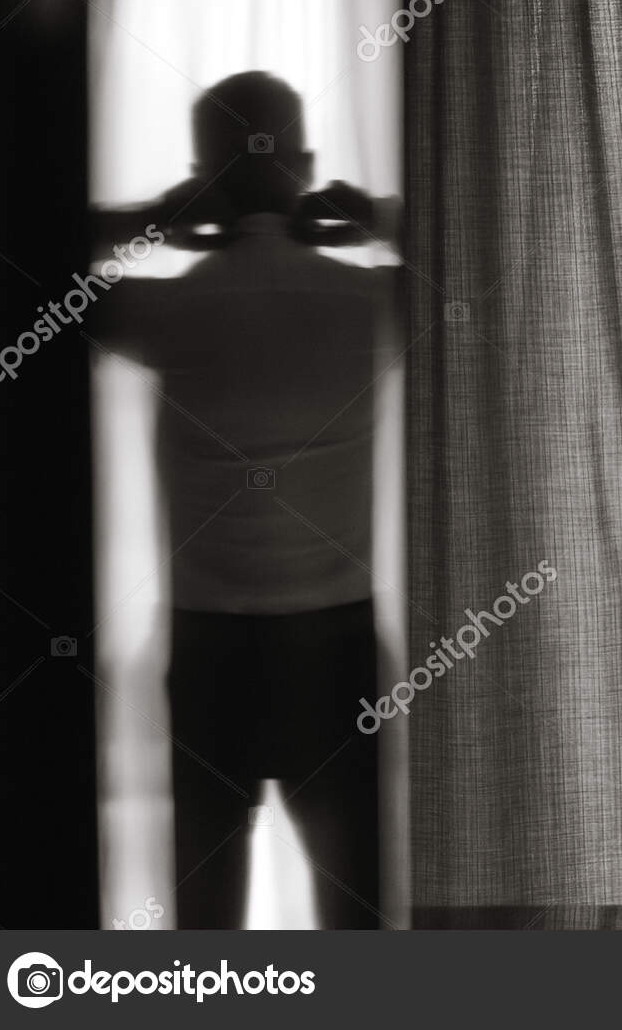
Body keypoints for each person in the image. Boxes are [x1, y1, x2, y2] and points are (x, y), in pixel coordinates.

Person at [92, 71, 400, 929]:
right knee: (358, 914)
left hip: (209, 646)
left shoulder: (168, 310)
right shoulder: (367, 301)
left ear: (202, 172)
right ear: (305, 163)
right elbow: (490, 256)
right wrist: (368, 214)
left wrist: (151, 221)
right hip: (335, 640)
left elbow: (16, 258)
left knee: (205, 919)